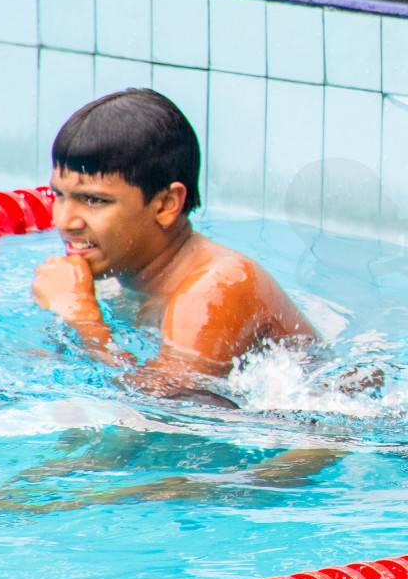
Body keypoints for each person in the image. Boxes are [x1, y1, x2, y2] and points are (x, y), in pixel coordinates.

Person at [32, 89, 319, 403]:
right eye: (58, 195)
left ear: (166, 204)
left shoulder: (214, 287)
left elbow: (164, 409)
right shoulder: (125, 278)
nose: (65, 221)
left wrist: (83, 319)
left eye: (95, 200)